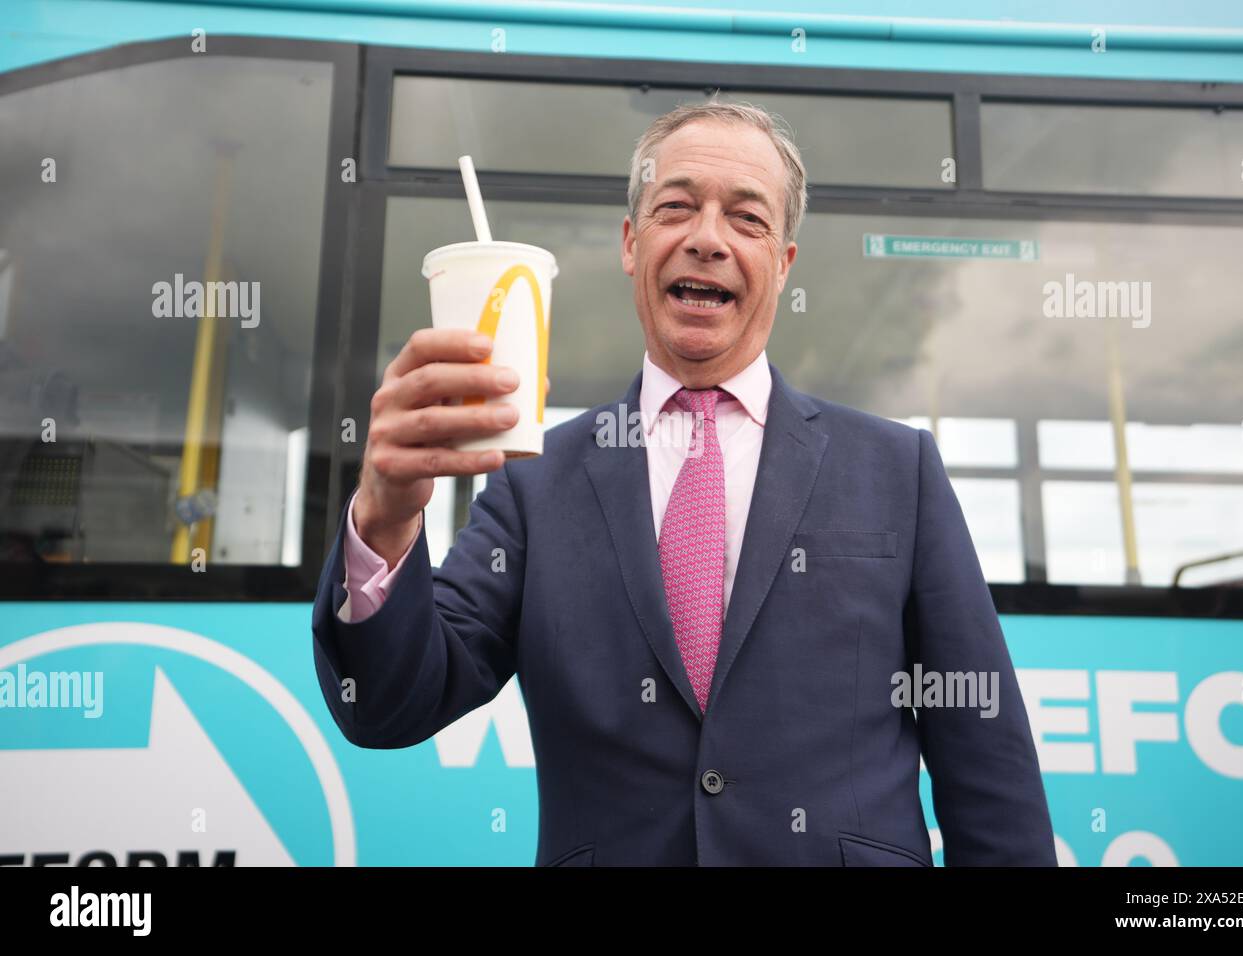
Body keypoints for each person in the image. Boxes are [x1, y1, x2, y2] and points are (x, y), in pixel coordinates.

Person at [311, 101, 1057, 866]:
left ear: (784, 262)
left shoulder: (899, 473)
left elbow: (987, 768)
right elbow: (387, 706)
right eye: (676, 207)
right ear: (633, 245)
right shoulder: (533, 484)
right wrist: (385, 517)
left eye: (746, 218)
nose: (707, 239)